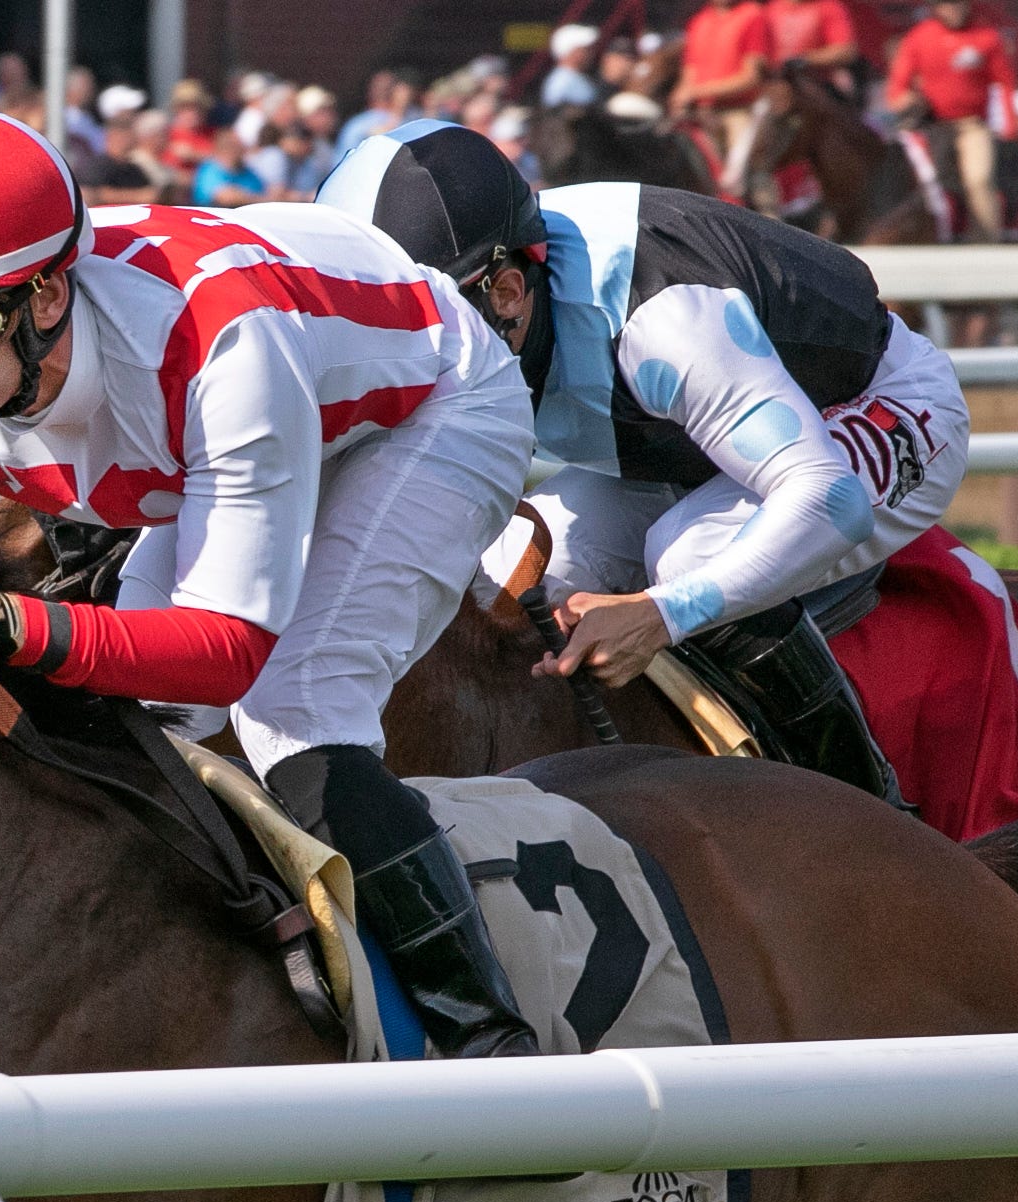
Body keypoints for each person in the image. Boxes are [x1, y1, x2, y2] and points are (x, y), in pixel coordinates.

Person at [0, 103, 541, 1061]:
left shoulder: (225, 348)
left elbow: (227, 652)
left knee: (294, 710)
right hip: (229, 420)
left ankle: (490, 1044)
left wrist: (7, 620)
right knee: (133, 708)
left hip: (436, 403)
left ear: (42, 300)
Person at [320, 121, 951, 805]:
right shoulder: (502, 289)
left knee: (686, 559)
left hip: (863, 407)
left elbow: (827, 496)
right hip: (681, 438)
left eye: (422, 331)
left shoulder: (666, 323)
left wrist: (657, 615)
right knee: (499, 582)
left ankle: (869, 805)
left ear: (506, 291)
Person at [885, 0, 1018, 243]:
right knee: (923, 184)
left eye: (958, 4)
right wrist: (908, 100)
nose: (953, 10)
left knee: (978, 180)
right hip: (933, 127)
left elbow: (1004, 83)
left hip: (972, 126)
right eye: (947, 4)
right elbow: (897, 89)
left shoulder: (986, 37)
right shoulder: (920, 37)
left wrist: (1010, 125)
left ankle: (987, 243)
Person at [672, 0, 773, 163]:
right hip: (700, 112)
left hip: (738, 110)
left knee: (742, 169)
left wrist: (696, 92)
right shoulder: (699, 21)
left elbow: (752, 77)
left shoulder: (752, 16)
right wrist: (680, 96)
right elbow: (689, 72)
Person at [542, 25, 603, 108]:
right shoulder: (562, 82)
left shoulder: (573, 78)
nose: (591, 53)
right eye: (586, 49)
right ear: (571, 51)